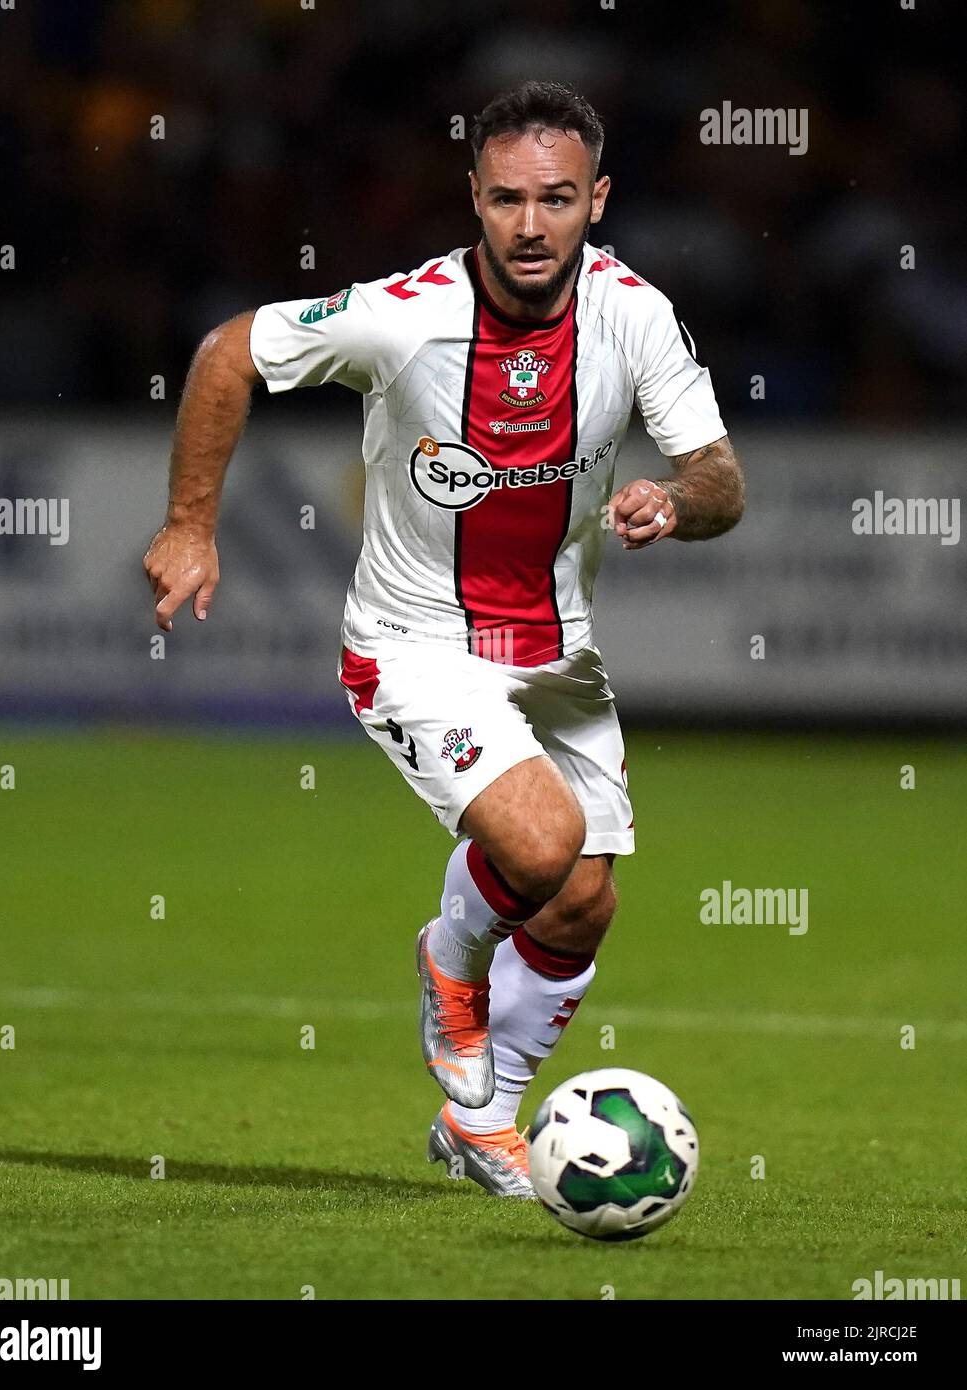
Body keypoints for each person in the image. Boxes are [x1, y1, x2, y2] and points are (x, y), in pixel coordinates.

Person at [143, 80, 744, 1200]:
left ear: (597, 199)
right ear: (473, 196)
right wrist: (189, 523)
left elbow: (723, 479)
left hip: (557, 649)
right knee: (540, 842)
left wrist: (676, 497)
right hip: (413, 641)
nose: (530, 224)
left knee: (582, 901)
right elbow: (231, 351)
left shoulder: (637, 316)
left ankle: (483, 1115)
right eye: (507, 198)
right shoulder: (406, 315)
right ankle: (450, 960)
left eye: (557, 199)